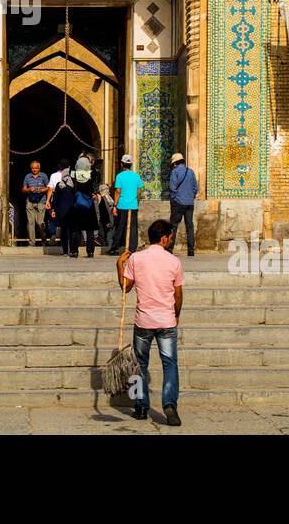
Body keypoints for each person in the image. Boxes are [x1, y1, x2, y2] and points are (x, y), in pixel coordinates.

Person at [117, 219, 184, 426]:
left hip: (144, 321)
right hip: (166, 320)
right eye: (171, 237)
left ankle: (140, 406)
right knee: (170, 363)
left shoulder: (136, 259)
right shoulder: (174, 262)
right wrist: (176, 315)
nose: (171, 241)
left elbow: (125, 287)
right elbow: (178, 294)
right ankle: (170, 404)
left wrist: (119, 265)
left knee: (140, 365)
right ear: (163, 238)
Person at [166, 152, 198, 256]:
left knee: (174, 226)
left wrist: (175, 198)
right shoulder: (191, 172)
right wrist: (190, 196)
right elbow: (195, 188)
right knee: (189, 226)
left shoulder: (175, 172)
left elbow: (172, 188)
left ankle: (170, 248)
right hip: (189, 203)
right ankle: (191, 250)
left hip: (178, 203)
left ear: (175, 163)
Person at [111, 154, 143, 254]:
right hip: (133, 206)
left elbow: (117, 191)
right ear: (131, 164)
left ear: (122, 164)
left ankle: (115, 248)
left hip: (122, 205)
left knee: (120, 227)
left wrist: (115, 206)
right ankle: (132, 248)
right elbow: (139, 192)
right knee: (133, 228)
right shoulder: (136, 176)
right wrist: (136, 203)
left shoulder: (119, 176)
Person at [48, 158, 79, 258]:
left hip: (61, 211)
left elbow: (55, 199)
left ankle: (65, 251)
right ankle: (73, 250)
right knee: (71, 231)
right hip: (71, 210)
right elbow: (76, 197)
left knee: (64, 231)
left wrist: (53, 210)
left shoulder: (59, 185)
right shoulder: (73, 185)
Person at [69, 152, 99, 258]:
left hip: (77, 203)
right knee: (89, 229)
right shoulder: (93, 173)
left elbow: (71, 170)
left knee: (76, 229)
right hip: (88, 204)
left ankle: (74, 251)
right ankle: (90, 251)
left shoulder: (74, 174)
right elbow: (95, 185)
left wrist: (78, 160)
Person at [21, 160, 49, 246]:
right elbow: (23, 189)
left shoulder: (43, 176)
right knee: (30, 222)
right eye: (33, 168)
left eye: (36, 168)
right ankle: (32, 242)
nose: (34, 169)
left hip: (41, 201)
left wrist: (41, 190)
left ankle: (43, 239)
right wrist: (29, 189)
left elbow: (48, 188)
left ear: (39, 168)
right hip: (30, 202)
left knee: (40, 223)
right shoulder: (28, 177)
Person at [95, 182, 117, 253]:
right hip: (108, 220)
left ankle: (107, 249)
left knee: (105, 236)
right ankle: (109, 249)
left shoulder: (103, 198)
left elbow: (104, 212)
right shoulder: (110, 198)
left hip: (106, 221)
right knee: (108, 236)